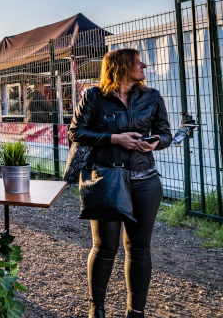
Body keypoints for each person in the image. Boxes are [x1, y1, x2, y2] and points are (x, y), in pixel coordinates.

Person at [68, 48, 171, 318]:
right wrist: (115, 139)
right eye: (138, 62)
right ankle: (96, 311)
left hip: (145, 181)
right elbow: (75, 132)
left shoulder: (152, 97)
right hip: (106, 181)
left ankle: (135, 313)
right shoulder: (93, 96)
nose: (144, 65)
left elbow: (165, 133)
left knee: (139, 249)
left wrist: (156, 142)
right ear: (121, 66)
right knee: (104, 248)